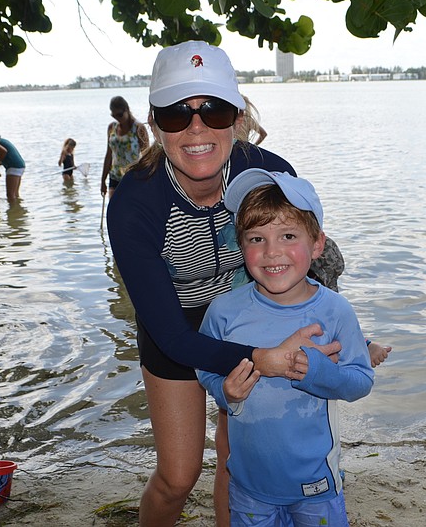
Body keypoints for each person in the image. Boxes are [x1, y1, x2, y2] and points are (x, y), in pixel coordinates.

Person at [106, 40, 341, 527]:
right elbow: (170, 336)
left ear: (237, 116)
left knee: (240, 467)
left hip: (254, 323)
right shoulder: (135, 202)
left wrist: (338, 331)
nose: (196, 129)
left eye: (213, 111)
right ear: (155, 124)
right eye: (176, 114)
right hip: (176, 332)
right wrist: (260, 359)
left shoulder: (270, 174)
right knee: (178, 475)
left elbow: (305, 265)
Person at [197, 168, 374, 525]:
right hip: (248, 485)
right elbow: (206, 368)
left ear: (318, 243)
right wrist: (225, 392)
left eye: (288, 235)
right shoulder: (224, 311)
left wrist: (319, 373)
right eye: (256, 239)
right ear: (240, 244)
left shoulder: (335, 310)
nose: (271, 252)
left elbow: (360, 380)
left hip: (316, 483)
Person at [101, 96, 149, 200]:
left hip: (133, 177)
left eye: (119, 115)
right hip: (115, 176)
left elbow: (147, 156)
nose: (117, 118)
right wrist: (102, 180)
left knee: (131, 212)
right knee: (114, 211)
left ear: (126, 110)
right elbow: (109, 155)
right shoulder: (111, 128)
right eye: (114, 115)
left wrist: (147, 181)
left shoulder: (138, 128)